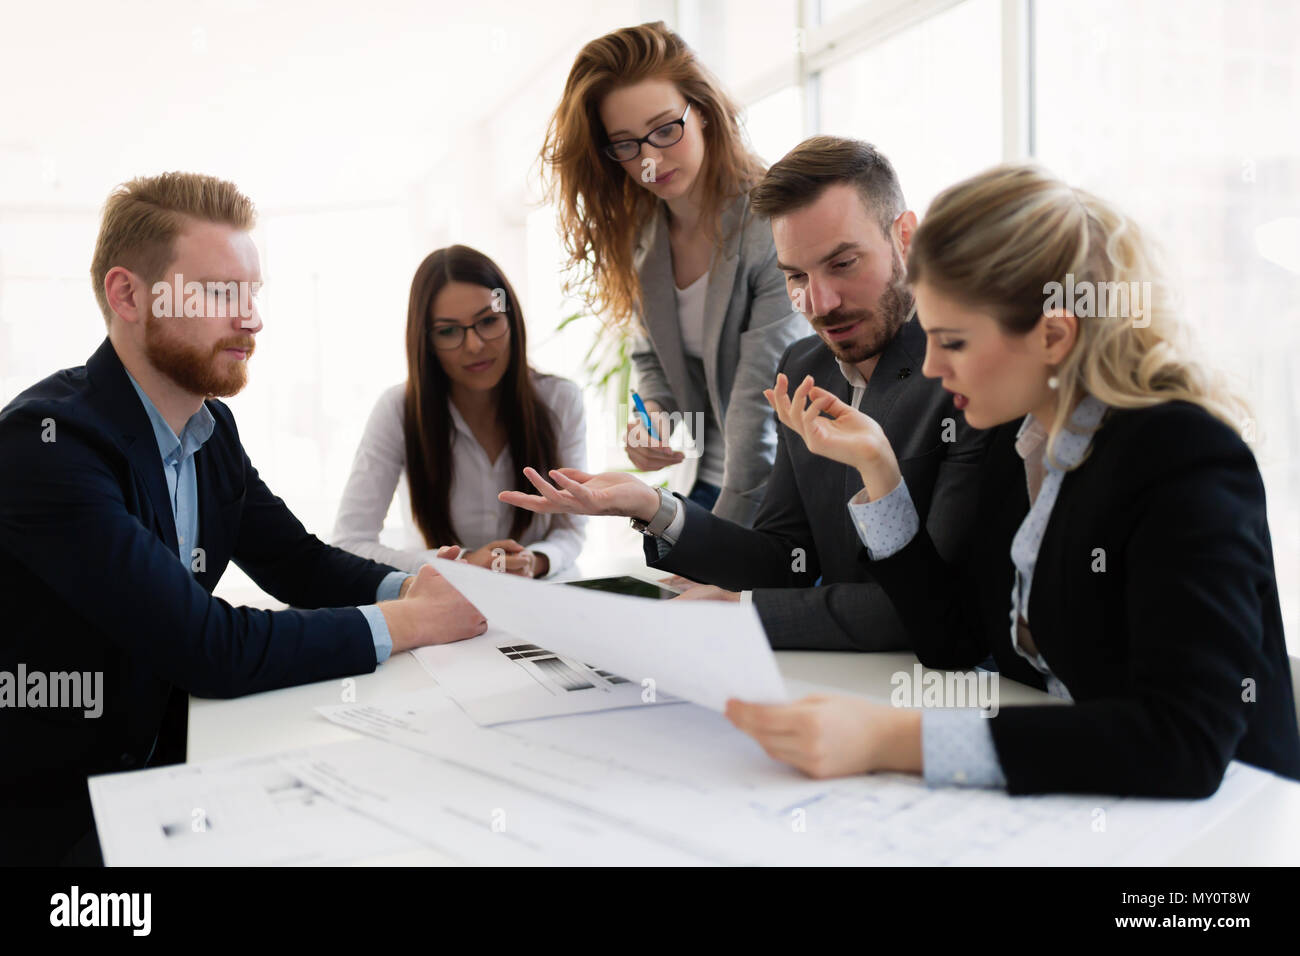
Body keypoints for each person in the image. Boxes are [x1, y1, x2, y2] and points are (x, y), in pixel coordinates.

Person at [726, 163, 1300, 797]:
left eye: (954, 341)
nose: (934, 367)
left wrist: (893, 741)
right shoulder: (1021, 443)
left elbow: (1184, 742)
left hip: (1225, 830)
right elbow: (952, 640)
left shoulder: (1179, 454)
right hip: (1086, 795)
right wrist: (879, 472)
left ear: (1053, 334)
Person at [0, 173, 486, 864]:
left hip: (171, 772)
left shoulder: (209, 428)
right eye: (221, 293)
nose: (251, 319)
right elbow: (205, 646)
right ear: (127, 295)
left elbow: (300, 561)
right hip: (59, 820)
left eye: (253, 294)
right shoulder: (46, 443)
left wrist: (409, 588)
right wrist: (412, 622)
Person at [503, 138, 988, 651]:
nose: (819, 303)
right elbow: (784, 558)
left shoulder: (966, 377)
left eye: (843, 263)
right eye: (796, 276)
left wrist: (743, 612)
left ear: (905, 239)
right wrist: (652, 506)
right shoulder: (804, 368)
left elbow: (929, 606)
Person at [541, 20, 805, 525]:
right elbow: (657, 364)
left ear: (702, 112)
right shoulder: (643, 237)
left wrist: (718, 550)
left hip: (780, 493)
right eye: (626, 145)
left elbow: (757, 408)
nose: (649, 160)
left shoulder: (772, 221)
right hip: (706, 483)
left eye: (665, 130)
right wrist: (659, 425)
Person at [332, 245, 586, 578]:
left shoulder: (559, 399)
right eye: (448, 331)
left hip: (539, 596)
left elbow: (572, 528)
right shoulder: (397, 410)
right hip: (441, 601)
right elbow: (349, 543)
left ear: (511, 318)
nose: (475, 345)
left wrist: (536, 560)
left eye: (488, 321)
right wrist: (463, 562)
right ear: (426, 341)